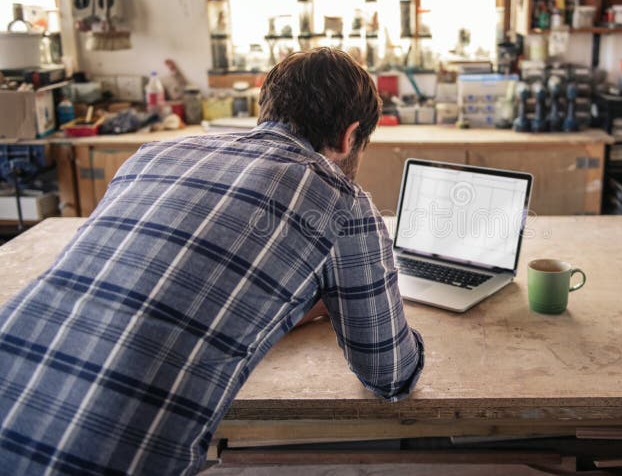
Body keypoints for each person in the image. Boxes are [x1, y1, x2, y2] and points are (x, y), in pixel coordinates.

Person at [0, 48, 424, 475]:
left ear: (268, 109)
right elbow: (390, 375)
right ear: (350, 136)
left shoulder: (151, 156)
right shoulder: (341, 201)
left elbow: (154, 280)